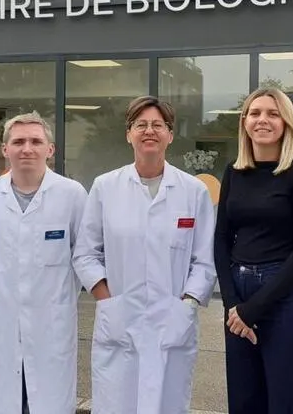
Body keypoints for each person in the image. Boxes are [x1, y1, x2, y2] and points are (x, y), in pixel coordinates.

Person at [72, 95, 218, 414]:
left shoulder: (193, 191)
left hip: (173, 320)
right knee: (116, 402)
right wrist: (107, 299)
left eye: (157, 125)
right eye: (141, 124)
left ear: (169, 134)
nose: (149, 131)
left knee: (168, 402)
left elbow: (205, 261)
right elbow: (85, 253)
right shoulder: (105, 187)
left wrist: (188, 304)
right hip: (120, 316)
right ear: (129, 134)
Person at [212, 87, 293, 413]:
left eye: (273, 113)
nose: (263, 120)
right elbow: (221, 240)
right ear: (245, 122)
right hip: (239, 296)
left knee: (285, 401)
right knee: (244, 401)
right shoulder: (234, 172)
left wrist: (252, 310)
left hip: (286, 297)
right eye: (256, 113)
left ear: (286, 123)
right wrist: (234, 305)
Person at [0, 112, 88, 414]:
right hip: (3, 318)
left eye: (36, 141)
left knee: (49, 401)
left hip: (52, 320)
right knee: (4, 401)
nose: (27, 148)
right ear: (5, 149)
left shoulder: (72, 195)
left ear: (50, 150)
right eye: (18, 141)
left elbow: (82, 255)